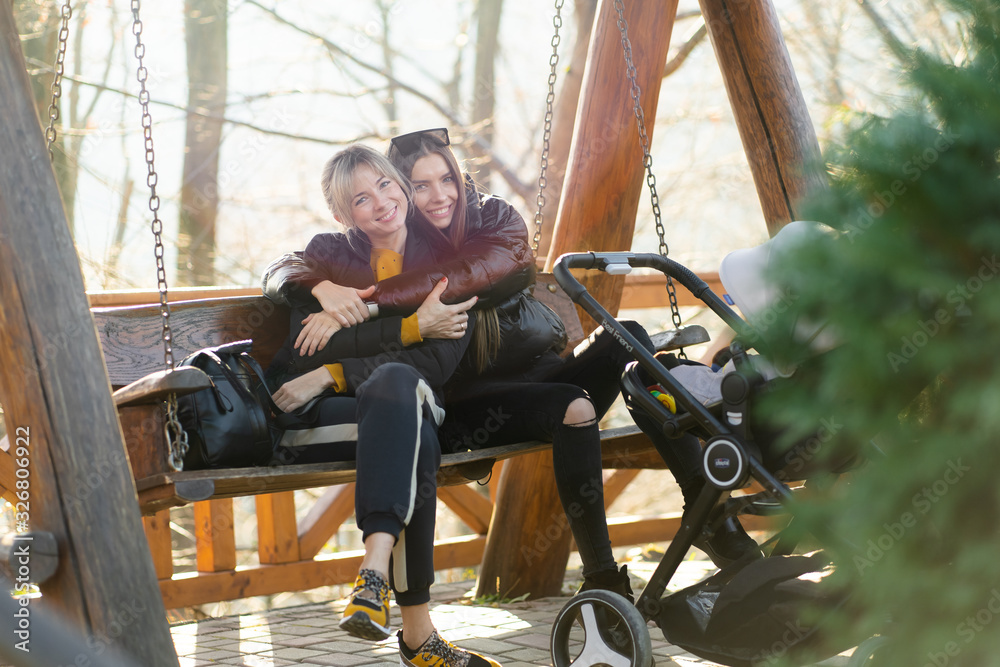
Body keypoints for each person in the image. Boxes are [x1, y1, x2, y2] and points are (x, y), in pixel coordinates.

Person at [264, 144, 502, 667]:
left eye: (387, 186)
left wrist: (334, 371)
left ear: (402, 185)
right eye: (361, 199)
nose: (381, 203)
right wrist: (327, 291)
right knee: (409, 415)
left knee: (401, 389)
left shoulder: (444, 256)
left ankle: (373, 574)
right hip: (311, 420)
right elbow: (308, 342)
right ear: (343, 214)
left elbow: (436, 364)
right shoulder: (327, 254)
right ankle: (418, 636)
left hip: (383, 401)